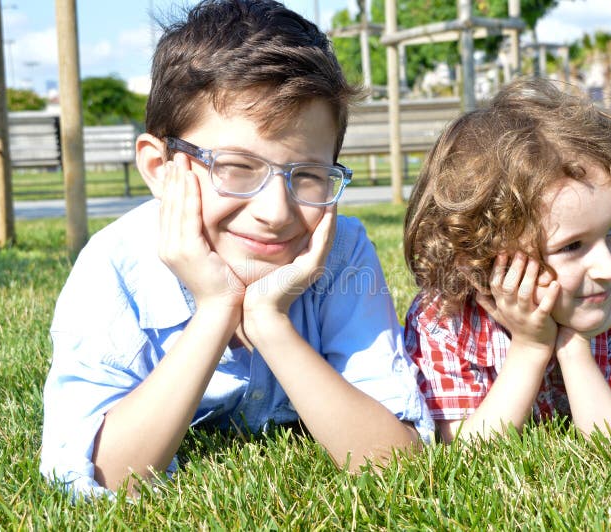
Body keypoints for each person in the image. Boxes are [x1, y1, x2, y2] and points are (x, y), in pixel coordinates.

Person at [40, 0, 432, 497]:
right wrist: (217, 309)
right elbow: (104, 478)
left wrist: (270, 323)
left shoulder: (342, 253)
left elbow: (398, 465)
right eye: (237, 167)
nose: (276, 212)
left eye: (309, 176)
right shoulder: (114, 266)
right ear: (160, 169)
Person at [403, 77, 611, 445]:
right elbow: (465, 452)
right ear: (479, 259)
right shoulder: (443, 322)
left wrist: (574, 346)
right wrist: (531, 347)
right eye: (572, 246)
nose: (608, 268)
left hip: (594, 291)